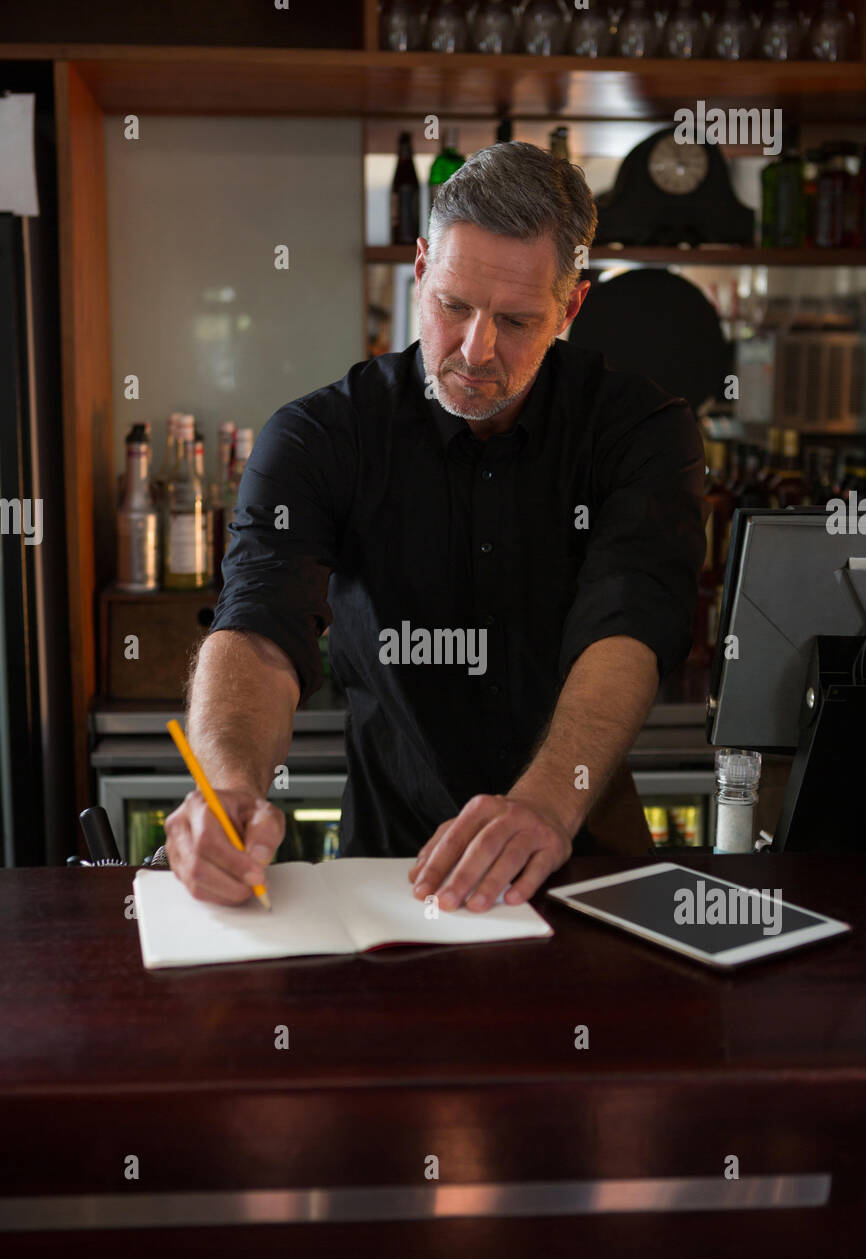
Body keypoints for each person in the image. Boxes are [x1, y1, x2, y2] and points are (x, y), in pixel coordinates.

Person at [164, 141, 705, 913]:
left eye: (517, 321)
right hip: (387, 880)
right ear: (420, 268)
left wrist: (546, 805)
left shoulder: (638, 430)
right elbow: (258, 623)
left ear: (571, 307)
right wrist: (228, 786)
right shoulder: (322, 435)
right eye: (453, 306)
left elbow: (626, 627)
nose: (476, 352)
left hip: (584, 873)